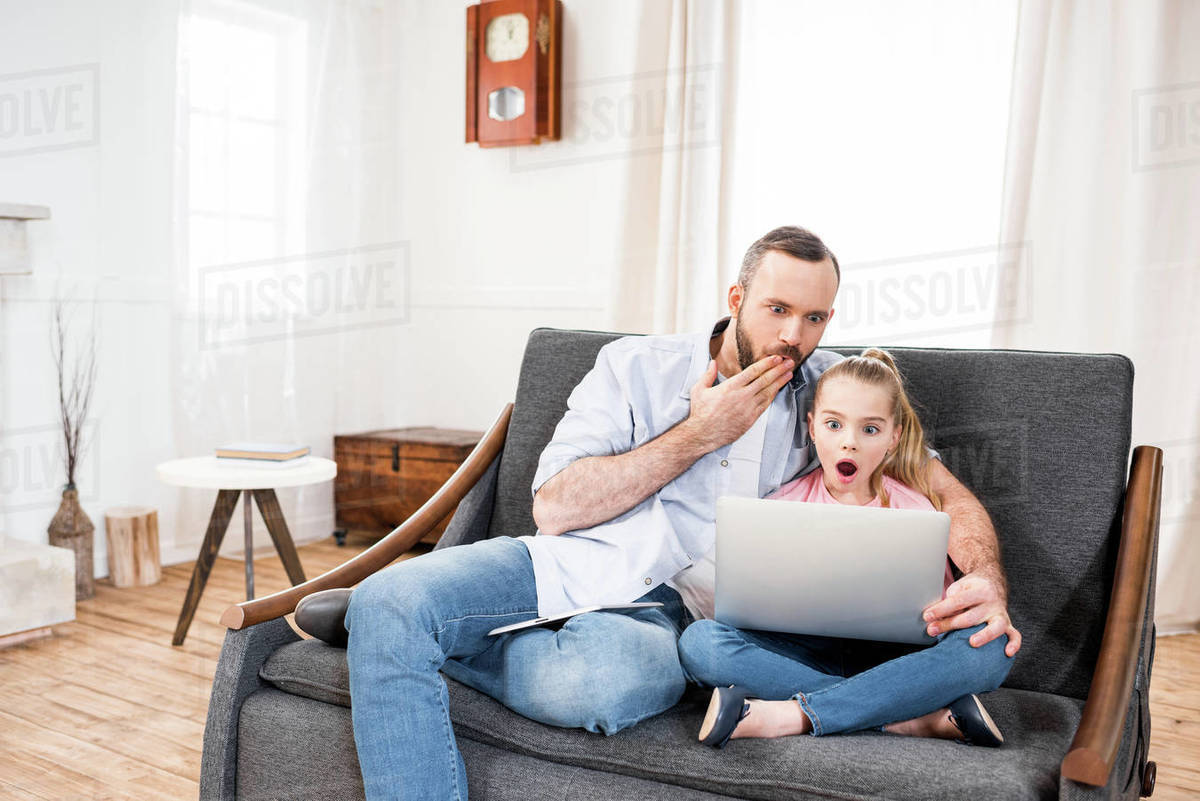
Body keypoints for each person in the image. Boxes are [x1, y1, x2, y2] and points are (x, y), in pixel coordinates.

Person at [341, 226, 1021, 801]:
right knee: (395, 601)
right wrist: (699, 434)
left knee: (595, 688)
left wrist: (985, 575)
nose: (793, 336)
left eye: (814, 318)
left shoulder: (836, 393)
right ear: (736, 298)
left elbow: (948, 493)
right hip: (574, 564)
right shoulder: (635, 366)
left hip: (682, 618)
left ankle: (385, 639)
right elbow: (553, 507)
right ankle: (385, 625)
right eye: (777, 309)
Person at [679, 348, 1014, 749]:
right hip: (804, 652)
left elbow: (935, 611)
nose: (849, 443)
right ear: (813, 428)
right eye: (834, 425)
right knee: (699, 643)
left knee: (993, 646)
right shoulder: (779, 507)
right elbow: (752, 607)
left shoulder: (919, 510)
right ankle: (906, 715)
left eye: (869, 430)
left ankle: (791, 714)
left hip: (900, 657)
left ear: (895, 437)